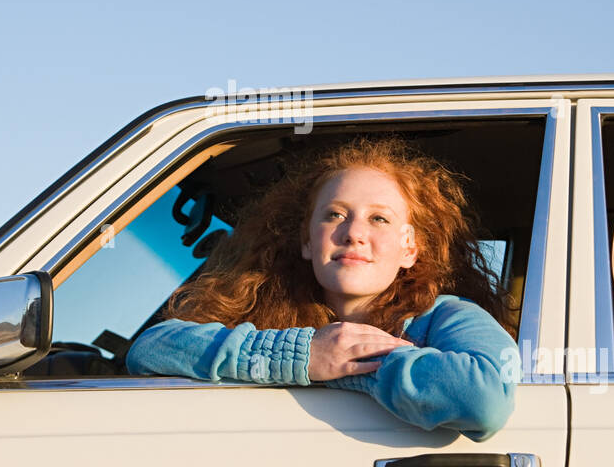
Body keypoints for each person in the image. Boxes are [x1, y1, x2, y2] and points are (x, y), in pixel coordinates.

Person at [125, 134, 523, 441]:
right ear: (307, 241)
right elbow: (152, 348)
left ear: (410, 249)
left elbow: (486, 400)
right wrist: (303, 357)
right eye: (335, 215)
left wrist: (346, 364)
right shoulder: (267, 312)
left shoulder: (448, 316)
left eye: (379, 219)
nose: (353, 234)